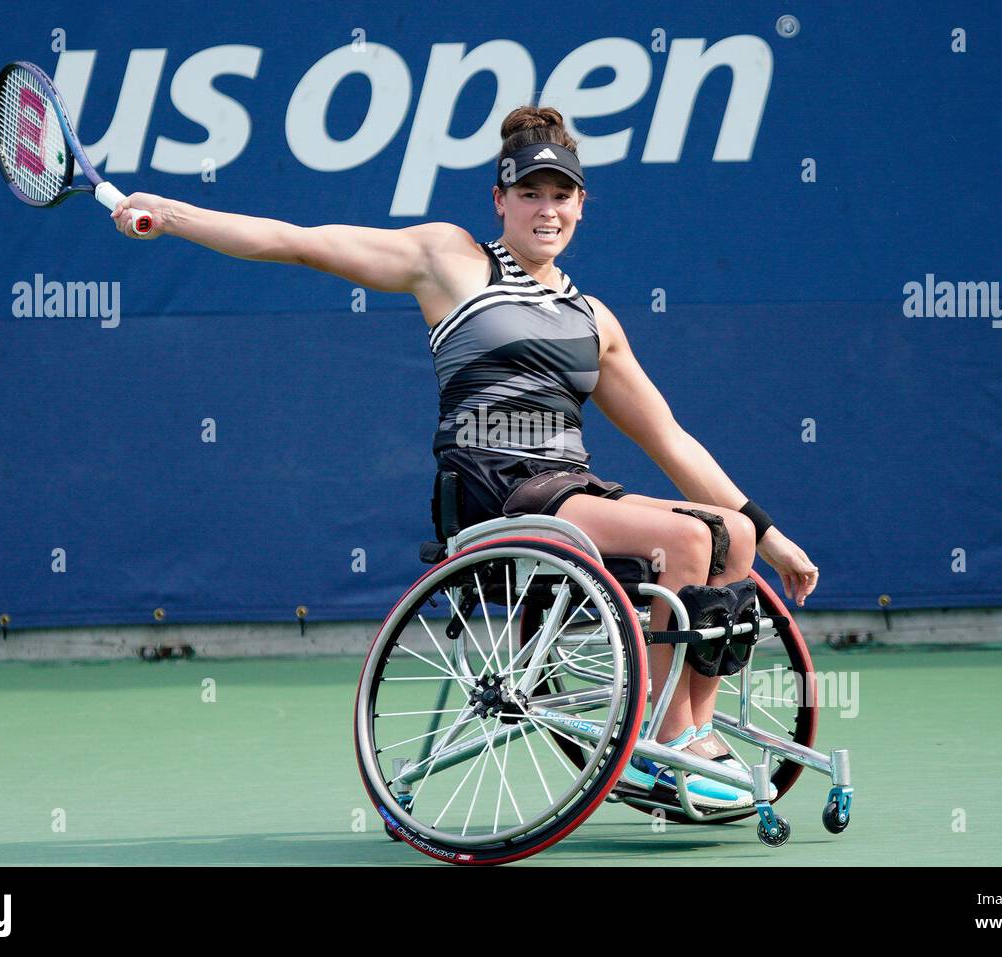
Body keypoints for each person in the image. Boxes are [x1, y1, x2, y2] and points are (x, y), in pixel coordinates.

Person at [111, 105, 819, 809]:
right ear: (500, 200)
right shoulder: (452, 261)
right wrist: (170, 213)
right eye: (530, 194)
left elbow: (670, 438)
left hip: (571, 490)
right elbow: (297, 241)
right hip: (495, 489)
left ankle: (692, 727)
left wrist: (774, 534)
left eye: (562, 195)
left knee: (738, 536)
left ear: (581, 205)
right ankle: (659, 738)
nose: (548, 210)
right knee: (690, 536)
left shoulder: (593, 320)